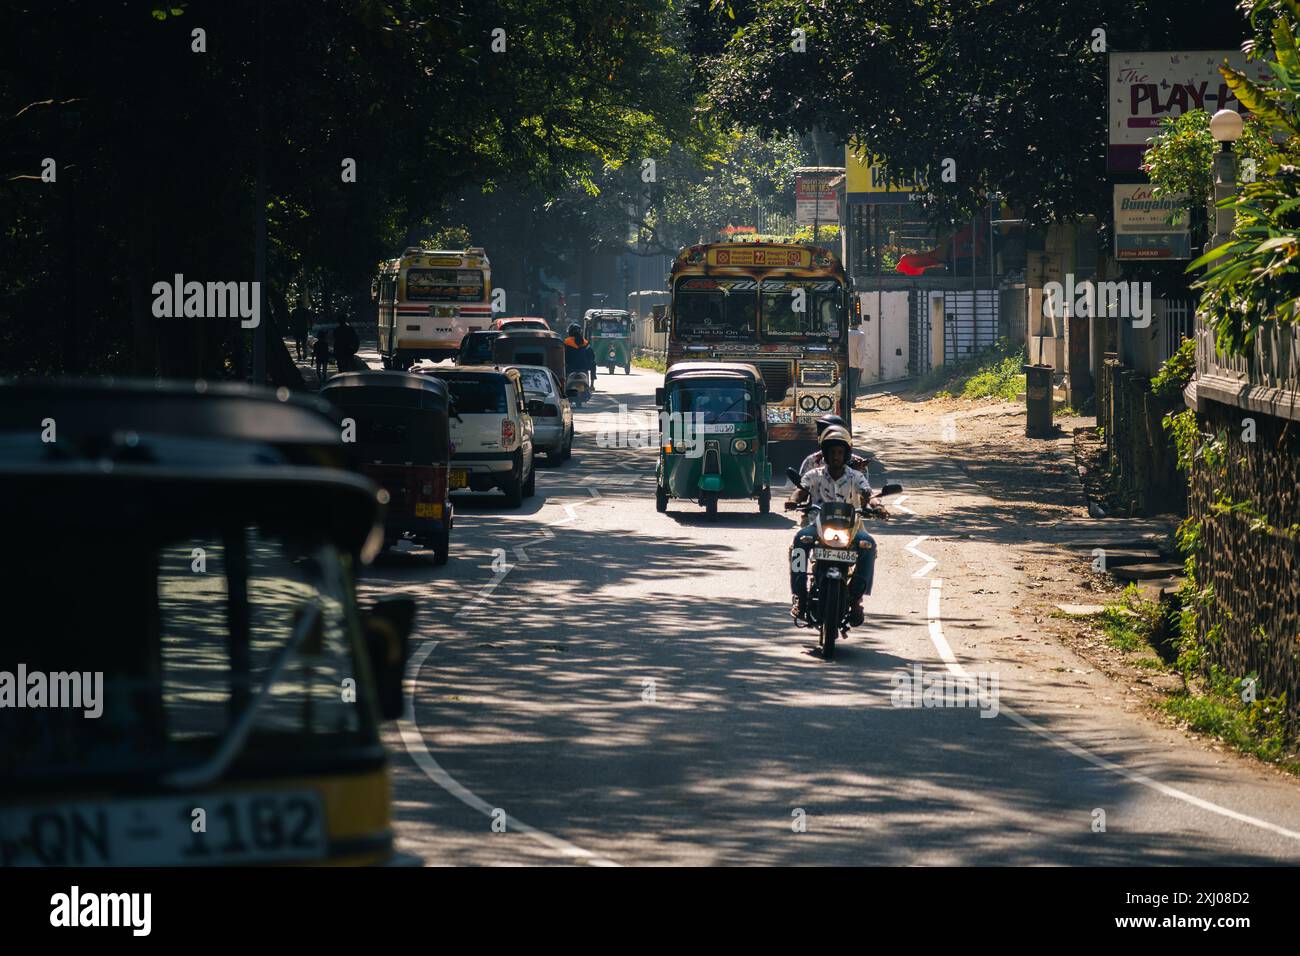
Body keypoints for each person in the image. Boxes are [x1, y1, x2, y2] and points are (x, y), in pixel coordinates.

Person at [787, 425, 881, 627]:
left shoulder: (856, 476)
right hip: (818, 525)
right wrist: (793, 500)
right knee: (798, 542)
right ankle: (800, 597)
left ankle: (856, 599)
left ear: (846, 454)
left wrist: (877, 506)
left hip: (851, 527)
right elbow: (801, 490)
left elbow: (868, 494)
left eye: (840, 452)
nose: (836, 456)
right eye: (832, 452)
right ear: (826, 454)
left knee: (868, 545)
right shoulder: (814, 474)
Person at [798, 414, 873, 476]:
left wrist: (854, 472)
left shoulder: (858, 464)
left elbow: (862, 491)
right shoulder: (811, 461)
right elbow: (802, 488)